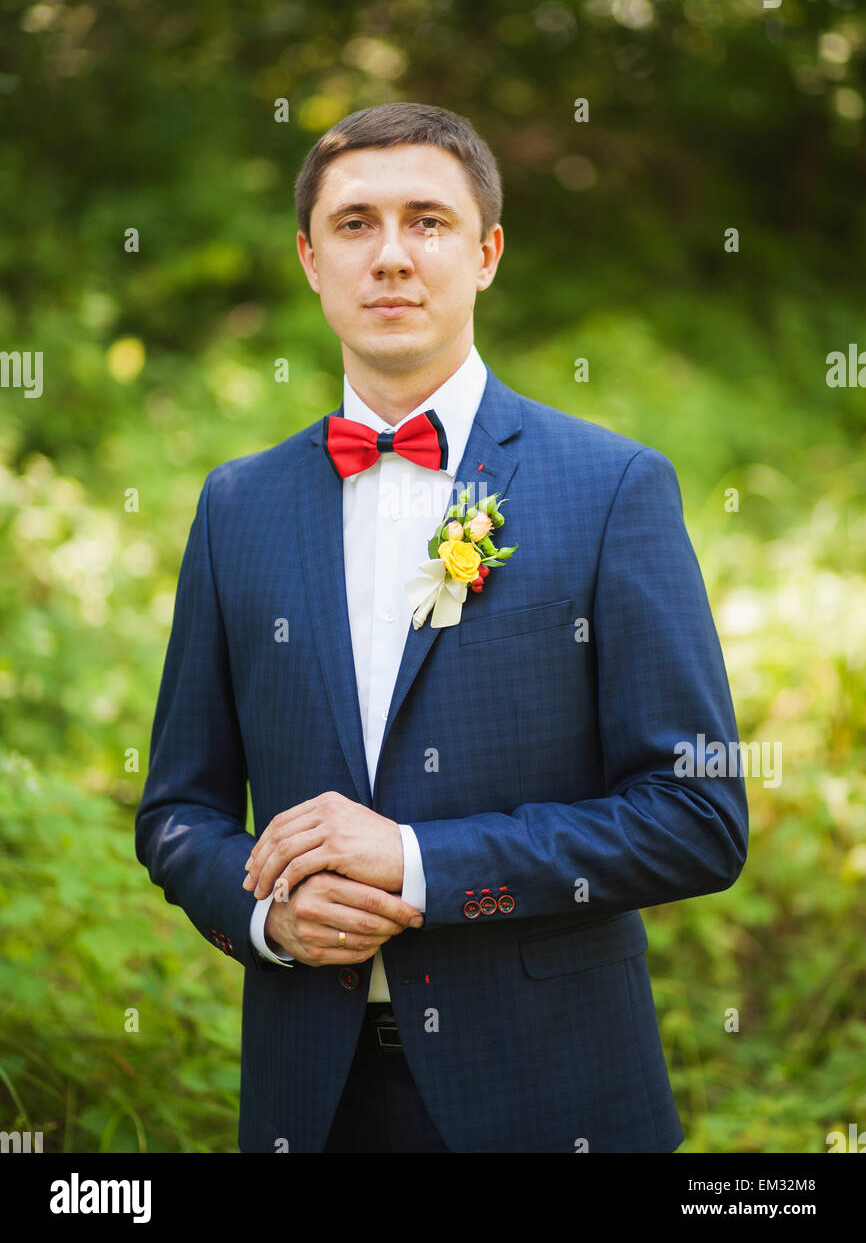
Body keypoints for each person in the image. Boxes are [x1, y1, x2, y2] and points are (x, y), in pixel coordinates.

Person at [135, 101, 748, 1153]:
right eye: (354, 224)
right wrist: (265, 921)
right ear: (309, 259)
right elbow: (179, 809)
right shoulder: (236, 505)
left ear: (486, 253)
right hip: (309, 1101)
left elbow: (695, 817)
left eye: (427, 221)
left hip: (548, 1094)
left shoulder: (611, 489)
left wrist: (418, 864)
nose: (390, 258)